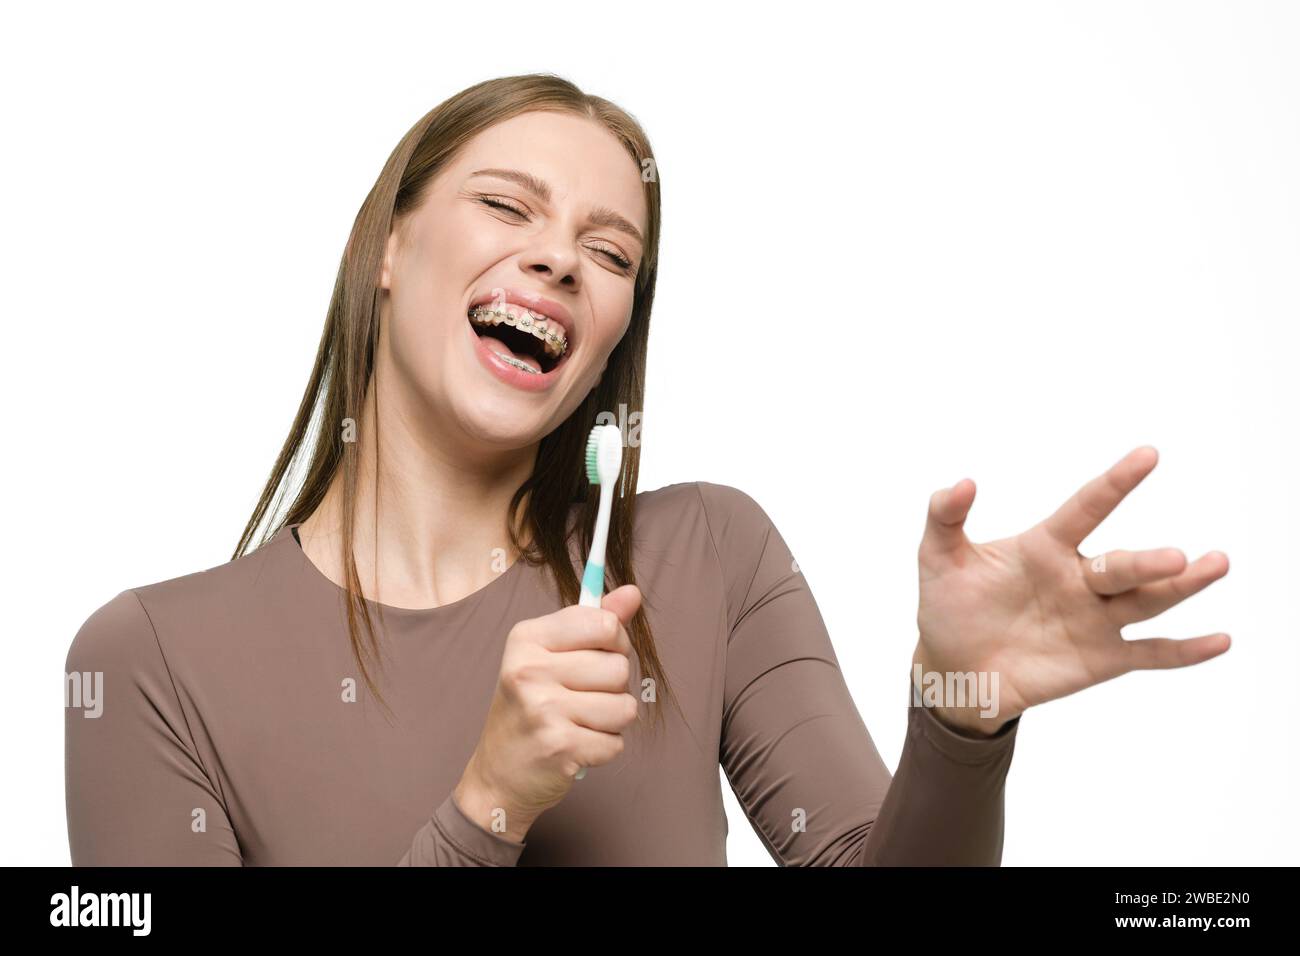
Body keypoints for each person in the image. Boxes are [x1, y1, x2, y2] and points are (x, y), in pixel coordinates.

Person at [63, 73, 1230, 866]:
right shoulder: (146, 661)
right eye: (506, 204)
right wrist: (488, 805)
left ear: (619, 323)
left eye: (609, 250)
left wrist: (959, 710)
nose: (559, 259)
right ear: (390, 245)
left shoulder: (706, 556)